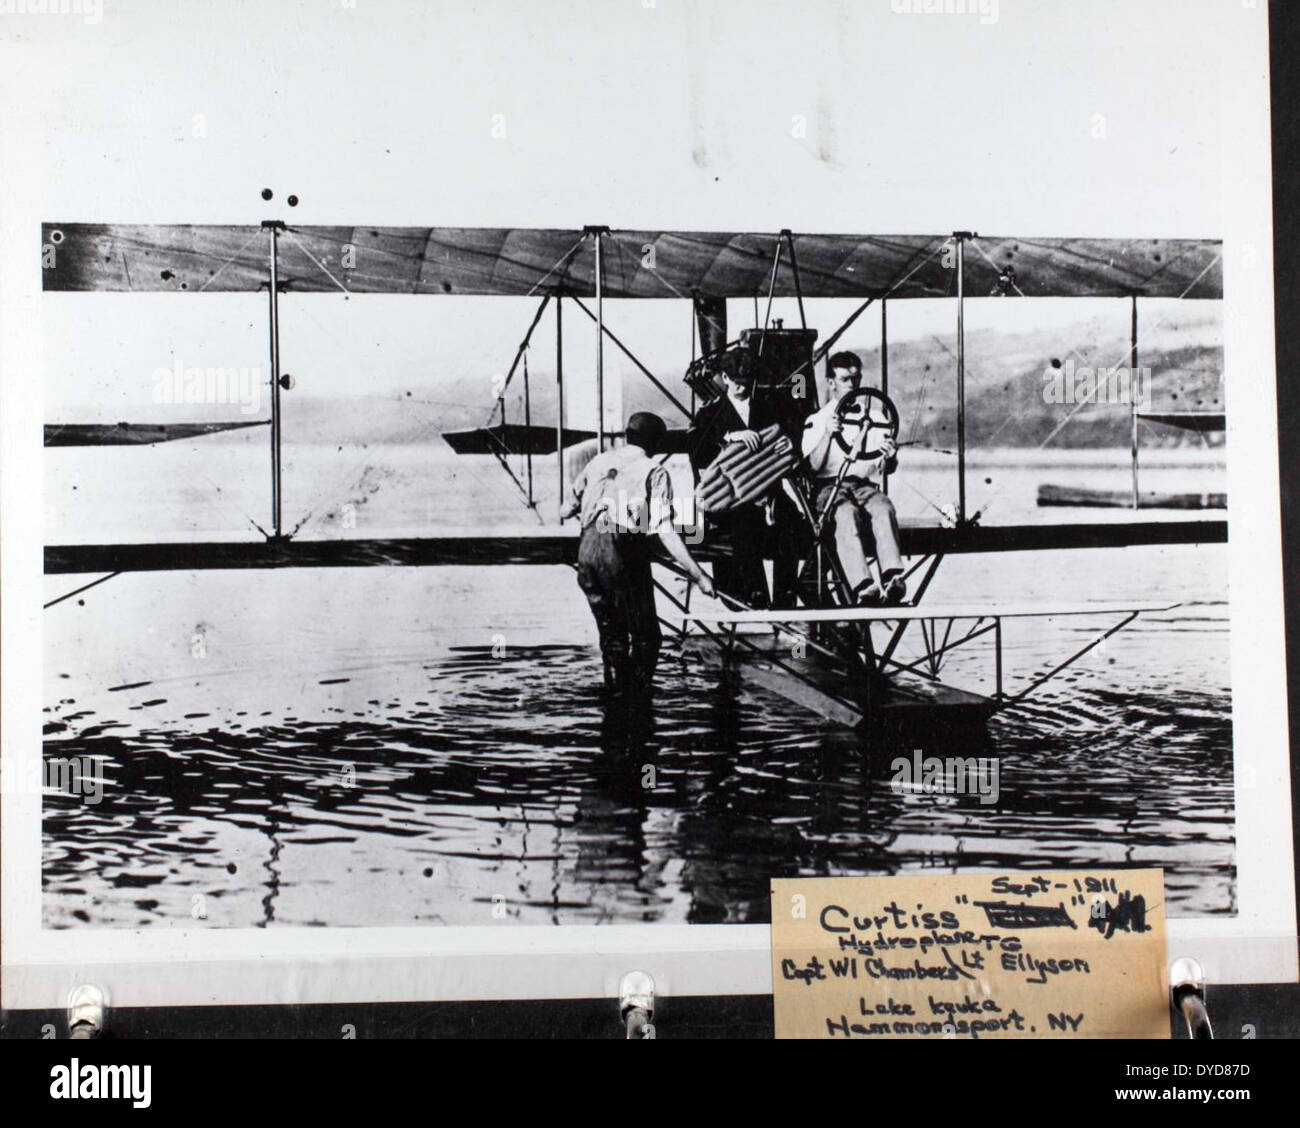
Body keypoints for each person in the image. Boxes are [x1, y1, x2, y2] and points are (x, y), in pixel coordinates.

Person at [564, 412, 716, 691]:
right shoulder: (654, 470)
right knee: (646, 637)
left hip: (586, 550)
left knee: (612, 636)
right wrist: (699, 575)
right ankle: (639, 706)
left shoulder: (599, 460)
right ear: (657, 442)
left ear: (627, 436)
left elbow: (566, 508)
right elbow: (665, 530)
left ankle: (614, 705)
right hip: (619, 550)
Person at [687, 350, 795, 607]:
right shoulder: (709, 414)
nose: (741, 387)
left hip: (769, 495)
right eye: (735, 381)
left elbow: (792, 436)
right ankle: (754, 593)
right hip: (730, 498)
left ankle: (785, 597)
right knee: (743, 523)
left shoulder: (769, 407)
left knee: (791, 522)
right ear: (724, 377)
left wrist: (790, 443)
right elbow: (697, 454)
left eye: (747, 382)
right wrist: (728, 437)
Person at [801, 350, 907, 605]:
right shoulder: (818, 420)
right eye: (846, 379)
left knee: (884, 508)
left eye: (856, 378)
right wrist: (828, 434)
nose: (853, 384)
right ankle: (863, 585)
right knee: (845, 515)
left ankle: (893, 577)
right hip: (830, 488)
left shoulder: (877, 418)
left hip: (865, 486)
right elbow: (812, 467)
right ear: (830, 382)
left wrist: (891, 456)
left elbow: (886, 466)